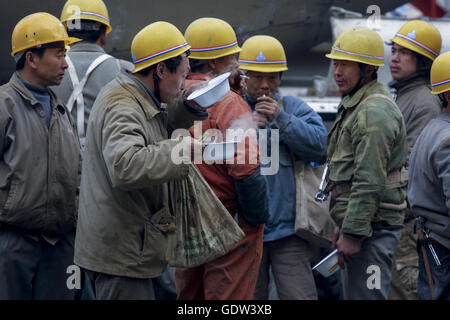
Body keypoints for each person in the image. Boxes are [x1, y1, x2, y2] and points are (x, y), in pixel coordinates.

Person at [73, 21, 208, 300]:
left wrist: (187, 107)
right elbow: (125, 166)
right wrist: (180, 150)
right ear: (160, 70)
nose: (183, 85)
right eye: (181, 77)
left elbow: (153, 125)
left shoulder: (136, 95)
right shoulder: (122, 105)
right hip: (121, 255)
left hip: (132, 247)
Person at [174, 17, 269, 300]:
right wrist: (256, 218)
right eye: (232, 56)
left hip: (185, 216)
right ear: (215, 62)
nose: (237, 62)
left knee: (189, 296)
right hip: (228, 219)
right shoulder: (228, 102)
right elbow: (246, 167)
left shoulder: (173, 97)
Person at [238, 35, 328, 300]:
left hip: (289, 232)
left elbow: (320, 145)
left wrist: (281, 119)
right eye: (257, 77)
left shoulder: (293, 107)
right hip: (244, 232)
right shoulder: (232, 107)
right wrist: (248, 126)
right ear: (243, 77)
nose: (265, 85)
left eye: (273, 77)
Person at [0, 12, 81, 299]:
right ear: (31, 58)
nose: (65, 63)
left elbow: (78, 175)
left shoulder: (62, 111)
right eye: (58, 54)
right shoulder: (4, 105)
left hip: (60, 246)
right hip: (13, 243)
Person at [325, 28, 408, 300]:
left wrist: (353, 232)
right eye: (335, 63)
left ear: (368, 69)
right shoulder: (357, 103)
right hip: (365, 228)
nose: (337, 71)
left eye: (345, 64)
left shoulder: (373, 111)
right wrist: (346, 224)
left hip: (374, 230)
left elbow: (369, 180)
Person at [387, 20, 442, 300]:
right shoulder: (404, 96)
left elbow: (414, 170)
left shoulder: (423, 102)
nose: (394, 58)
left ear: (422, 62)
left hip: (408, 226)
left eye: (404, 53)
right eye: (394, 50)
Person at [51, 0, 134, 148]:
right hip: (106, 168)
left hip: (61, 167)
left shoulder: (45, 74)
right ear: (104, 36)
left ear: (65, 35)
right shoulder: (127, 71)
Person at [408, 51, 450, 300]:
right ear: (447, 94)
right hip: (444, 248)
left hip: (434, 243)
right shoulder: (446, 139)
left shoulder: (434, 129)